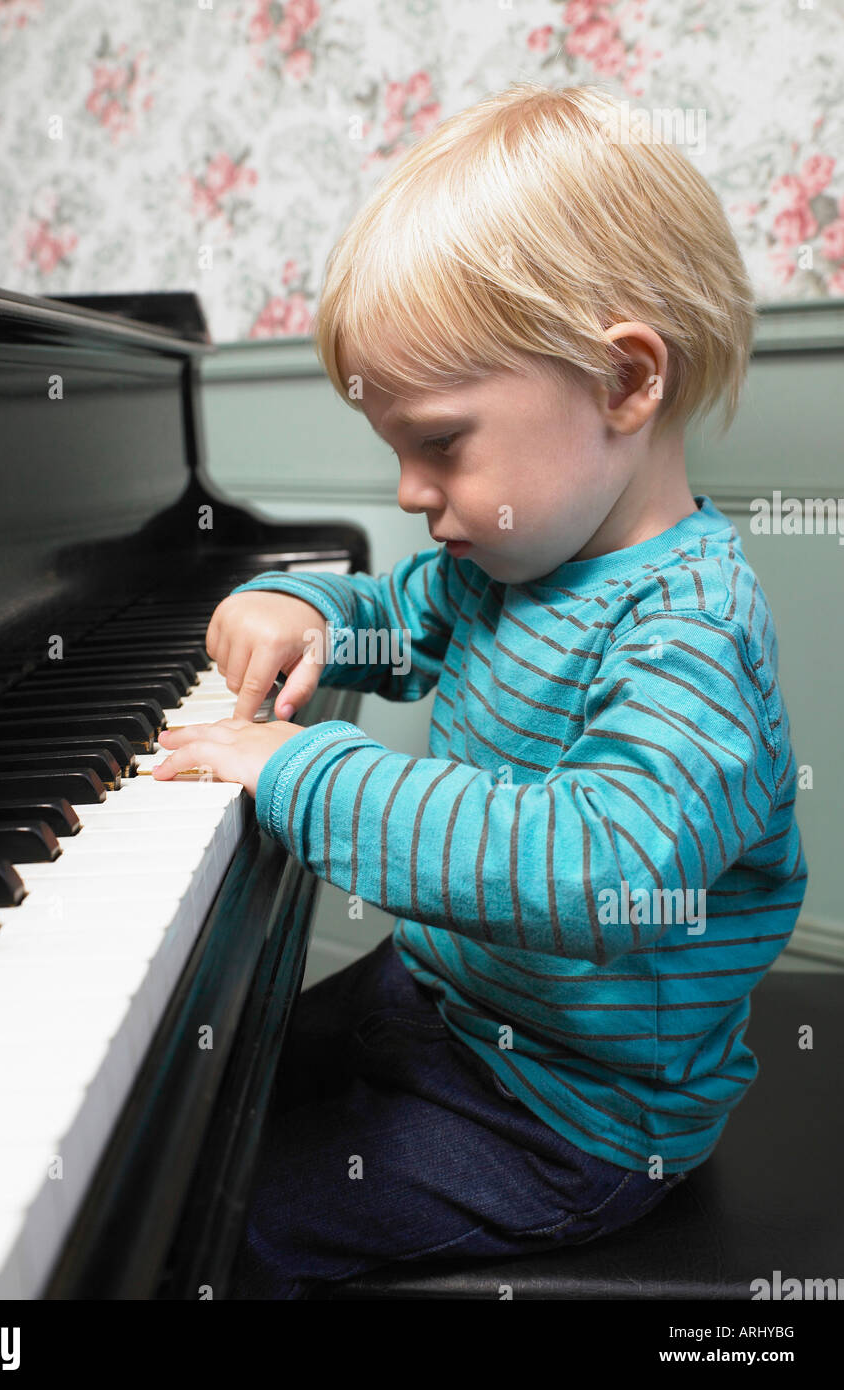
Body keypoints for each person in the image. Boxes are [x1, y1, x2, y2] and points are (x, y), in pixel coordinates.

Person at [153, 81, 807, 1299]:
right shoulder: (513, 555)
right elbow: (390, 623)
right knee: (184, 1108)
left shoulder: (691, 632)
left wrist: (305, 771)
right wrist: (307, 609)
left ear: (624, 383)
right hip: (450, 1001)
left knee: (226, 1240)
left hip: (576, 1113)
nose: (407, 492)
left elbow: (604, 869)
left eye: (439, 443)